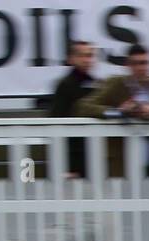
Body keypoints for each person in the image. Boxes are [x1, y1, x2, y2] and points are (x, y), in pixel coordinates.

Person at [77, 44, 149, 177]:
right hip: (123, 163)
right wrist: (118, 112)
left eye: (145, 63)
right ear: (128, 65)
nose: (142, 68)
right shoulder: (115, 84)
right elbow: (84, 106)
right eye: (137, 64)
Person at [48, 39, 97, 177]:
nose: (87, 60)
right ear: (71, 59)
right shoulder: (64, 86)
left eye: (90, 55)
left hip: (93, 154)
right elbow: (56, 120)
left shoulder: (95, 84)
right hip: (71, 156)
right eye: (82, 55)